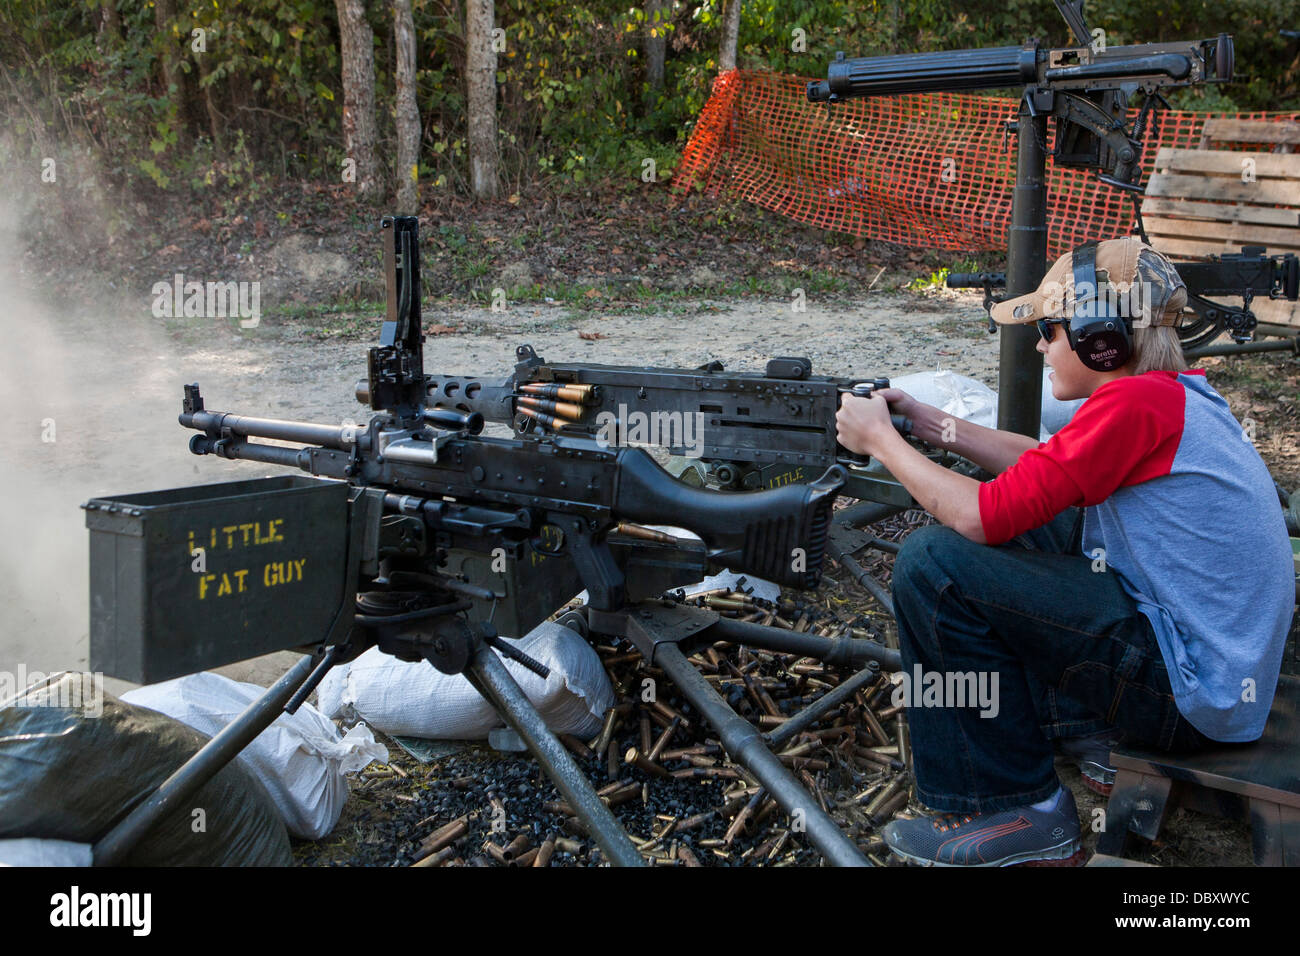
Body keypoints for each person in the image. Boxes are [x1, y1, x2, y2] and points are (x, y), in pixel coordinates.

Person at [834, 237, 1295, 866]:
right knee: (1050, 525)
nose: (1041, 345)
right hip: (1210, 673)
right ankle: (1090, 732)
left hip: (1193, 698)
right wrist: (924, 421)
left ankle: (1014, 808)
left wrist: (882, 442)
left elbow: (978, 516)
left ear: (1099, 337)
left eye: (1051, 329)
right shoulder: (1167, 393)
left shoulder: (1136, 403)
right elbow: (1044, 467)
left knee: (933, 564)